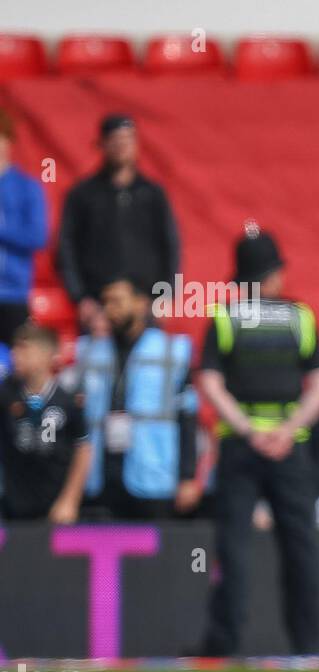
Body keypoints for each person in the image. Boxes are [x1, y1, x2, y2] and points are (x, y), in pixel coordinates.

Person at [197, 225, 319, 656]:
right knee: (300, 546)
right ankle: (308, 646)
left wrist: (246, 428)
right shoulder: (301, 318)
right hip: (289, 445)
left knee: (233, 546)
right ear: (274, 276)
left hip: (241, 446)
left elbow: (210, 381)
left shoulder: (224, 318)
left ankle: (225, 643)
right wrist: (289, 427)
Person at [74, 276, 201, 520]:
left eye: (118, 302)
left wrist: (187, 476)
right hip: (102, 474)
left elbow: (188, 417)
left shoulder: (172, 351)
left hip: (153, 472)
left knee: (155, 555)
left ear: (142, 304)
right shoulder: (90, 351)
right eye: (106, 302)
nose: (110, 309)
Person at [56, 115, 180, 336]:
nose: (122, 146)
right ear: (102, 145)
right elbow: (66, 248)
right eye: (115, 140)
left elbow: (170, 246)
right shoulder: (82, 195)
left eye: (128, 139)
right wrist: (81, 297)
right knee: (99, 367)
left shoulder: (152, 194)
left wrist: (166, 295)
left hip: (144, 304)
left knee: (145, 367)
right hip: (98, 305)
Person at [0, 324, 91, 523]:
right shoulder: (6, 395)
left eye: (23, 349)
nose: (15, 355)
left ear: (45, 355)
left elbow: (83, 448)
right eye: (14, 349)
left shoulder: (68, 399)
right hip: (12, 507)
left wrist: (70, 500)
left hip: (55, 508)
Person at [0, 108, 49, 347]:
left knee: (17, 368)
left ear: (8, 142)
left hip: (13, 294)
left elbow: (38, 236)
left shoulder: (27, 187)